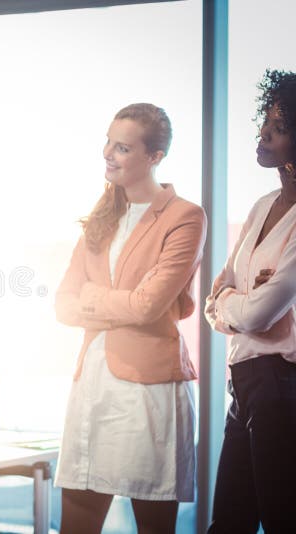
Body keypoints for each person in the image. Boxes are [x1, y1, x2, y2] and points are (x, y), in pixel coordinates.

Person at [54, 103, 206, 533]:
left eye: (122, 147)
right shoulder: (100, 218)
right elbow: (64, 304)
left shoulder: (184, 216)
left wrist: (94, 299)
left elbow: (148, 306)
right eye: (108, 141)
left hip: (147, 391)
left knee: (153, 524)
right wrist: (115, 302)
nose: (108, 153)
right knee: (76, 524)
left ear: (154, 157)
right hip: (92, 386)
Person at [205, 69, 296, 533]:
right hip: (243, 383)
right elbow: (220, 289)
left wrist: (231, 302)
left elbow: (262, 310)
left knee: (282, 519)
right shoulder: (262, 205)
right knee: (228, 523)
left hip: (281, 388)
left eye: (278, 129)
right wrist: (232, 298)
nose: (262, 134)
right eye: (265, 121)